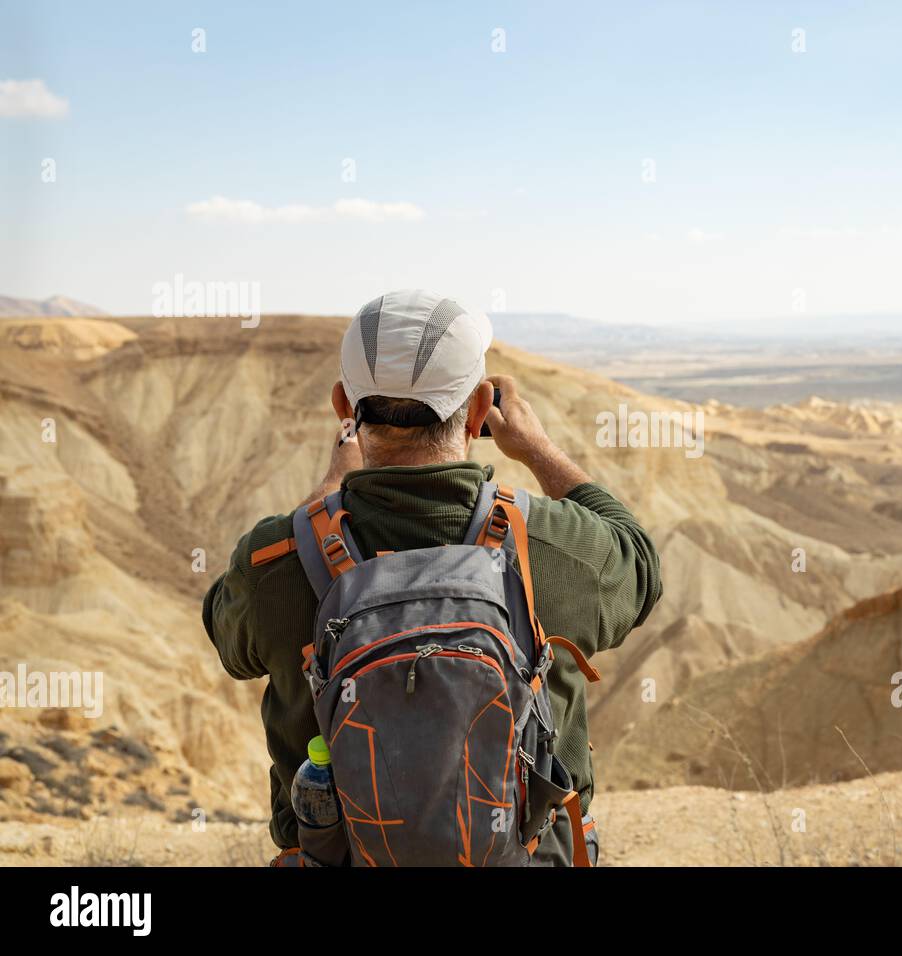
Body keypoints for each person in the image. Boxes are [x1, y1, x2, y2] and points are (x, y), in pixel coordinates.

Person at [202, 290, 662, 864]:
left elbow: (228, 639)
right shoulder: (555, 547)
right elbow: (640, 564)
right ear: (479, 410)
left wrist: (323, 498)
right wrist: (538, 449)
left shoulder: (276, 561)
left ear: (344, 406)